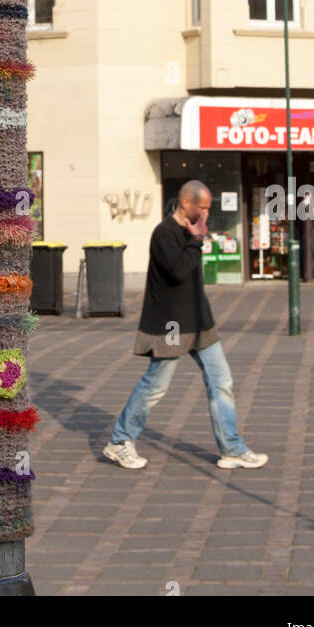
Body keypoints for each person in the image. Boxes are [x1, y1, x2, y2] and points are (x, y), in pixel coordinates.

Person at [103, 180, 268, 471]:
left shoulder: (190, 232)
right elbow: (178, 270)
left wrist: (195, 238)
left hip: (199, 321)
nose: (206, 214)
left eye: (208, 208)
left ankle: (232, 449)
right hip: (172, 324)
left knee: (221, 381)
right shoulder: (165, 233)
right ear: (186, 204)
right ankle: (120, 441)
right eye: (202, 208)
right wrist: (197, 239)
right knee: (156, 385)